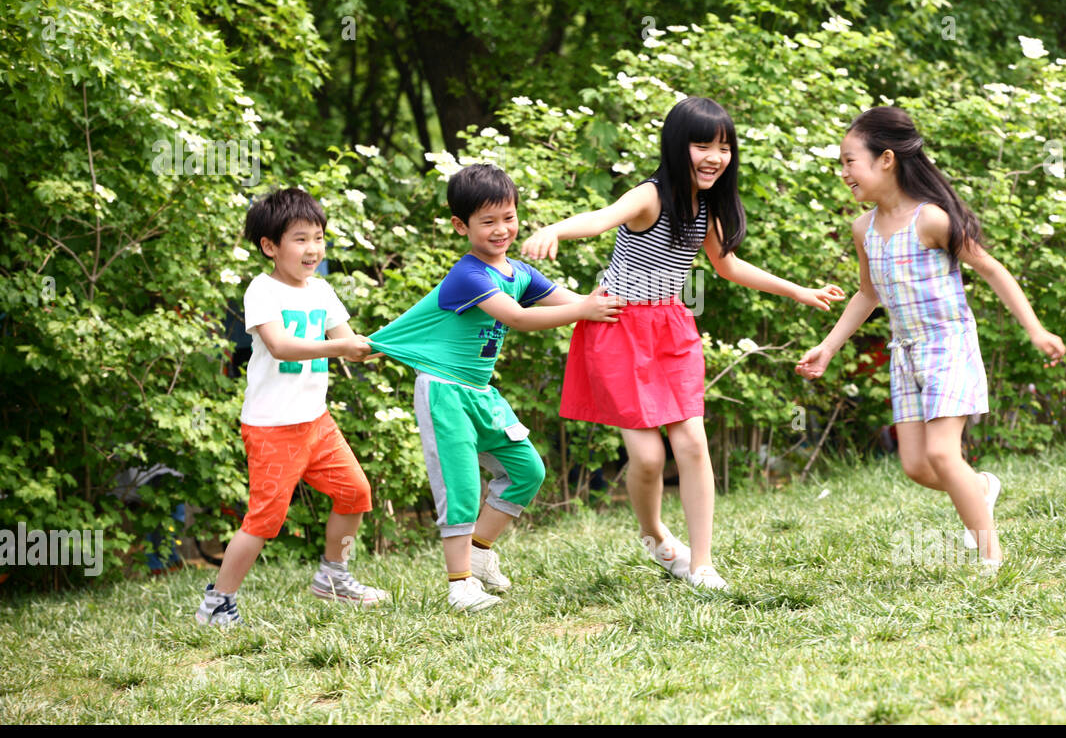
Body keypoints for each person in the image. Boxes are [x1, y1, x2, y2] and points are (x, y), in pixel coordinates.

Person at [522, 96, 844, 589]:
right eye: (702, 145)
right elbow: (601, 216)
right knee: (648, 458)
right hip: (618, 326)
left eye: (724, 147)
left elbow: (728, 266)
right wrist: (555, 231)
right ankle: (654, 535)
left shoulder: (708, 207)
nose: (715, 156)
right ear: (677, 146)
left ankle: (702, 563)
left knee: (692, 443)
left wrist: (797, 289)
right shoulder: (650, 196)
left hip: (671, 327)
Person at [796, 106, 1065, 567]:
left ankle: (991, 559)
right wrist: (829, 345)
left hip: (948, 346)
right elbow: (867, 294)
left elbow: (992, 270)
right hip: (905, 356)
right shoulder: (864, 229)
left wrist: (1035, 329)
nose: (844, 173)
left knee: (943, 453)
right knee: (917, 466)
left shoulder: (931, 219)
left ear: (886, 159)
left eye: (849, 161)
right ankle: (978, 488)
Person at [367, 164, 622, 613]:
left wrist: (611, 301)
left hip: (482, 394)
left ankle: (480, 552)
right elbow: (520, 318)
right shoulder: (469, 275)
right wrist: (584, 308)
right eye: (488, 221)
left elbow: (575, 303)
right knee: (461, 487)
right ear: (461, 226)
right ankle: (460, 585)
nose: (502, 229)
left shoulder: (518, 272)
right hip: (445, 393)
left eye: (509, 217)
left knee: (527, 471)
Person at [196, 188, 387, 627]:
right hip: (272, 428)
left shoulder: (322, 290)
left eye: (318, 237)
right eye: (300, 239)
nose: (313, 249)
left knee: (355, 492)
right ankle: (217, 602)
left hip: (316, 423)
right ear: (270, 246)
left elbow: (347, 340)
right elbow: (281, 347)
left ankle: (334, 578)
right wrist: (343, 345)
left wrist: (379, 345)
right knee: (265, 520)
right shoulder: (262, 291)